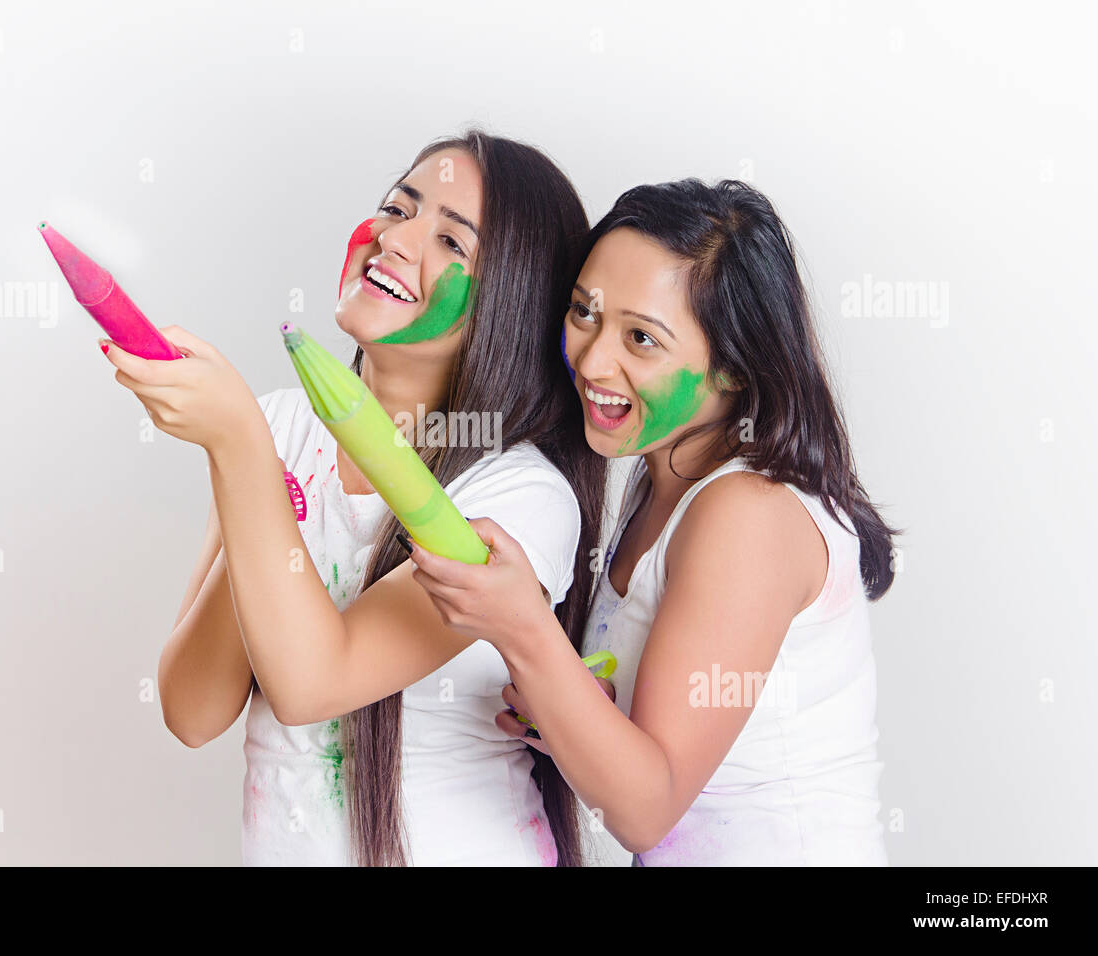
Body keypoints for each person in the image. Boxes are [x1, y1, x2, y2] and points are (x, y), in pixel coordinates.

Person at [101, 130, 607, 865]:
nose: (396, 240)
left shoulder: (523, 497)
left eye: (450, 241)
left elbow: (314, 682)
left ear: (513, 303)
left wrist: (241, 448)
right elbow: (192, 708)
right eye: (397, 207)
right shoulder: (276, 425)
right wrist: (256, 460)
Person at [409, 179, 897, 865]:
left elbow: (644, 811)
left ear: (733, 368)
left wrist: (524, 630)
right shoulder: (660, 483)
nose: (593, 360)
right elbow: (662, 756)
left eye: (641, 338)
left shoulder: (747, 513)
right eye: (584, 314)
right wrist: (575, 705)